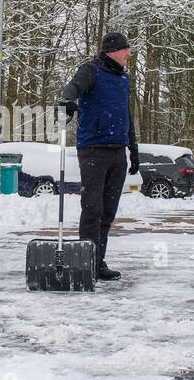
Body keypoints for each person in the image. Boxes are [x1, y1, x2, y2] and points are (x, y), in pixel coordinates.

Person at [58, 31, 140, 280]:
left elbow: (126, 115)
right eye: (125, 49)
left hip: (117, 151)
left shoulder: (123, 79)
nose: (128, 54)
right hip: (93, 150)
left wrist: (133, 149)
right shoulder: (91, 70)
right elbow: (73, 87)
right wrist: (66, 100)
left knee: (108, 211)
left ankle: (97, 261)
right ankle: (85, 261)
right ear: (112, 51)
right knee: (93, 208)